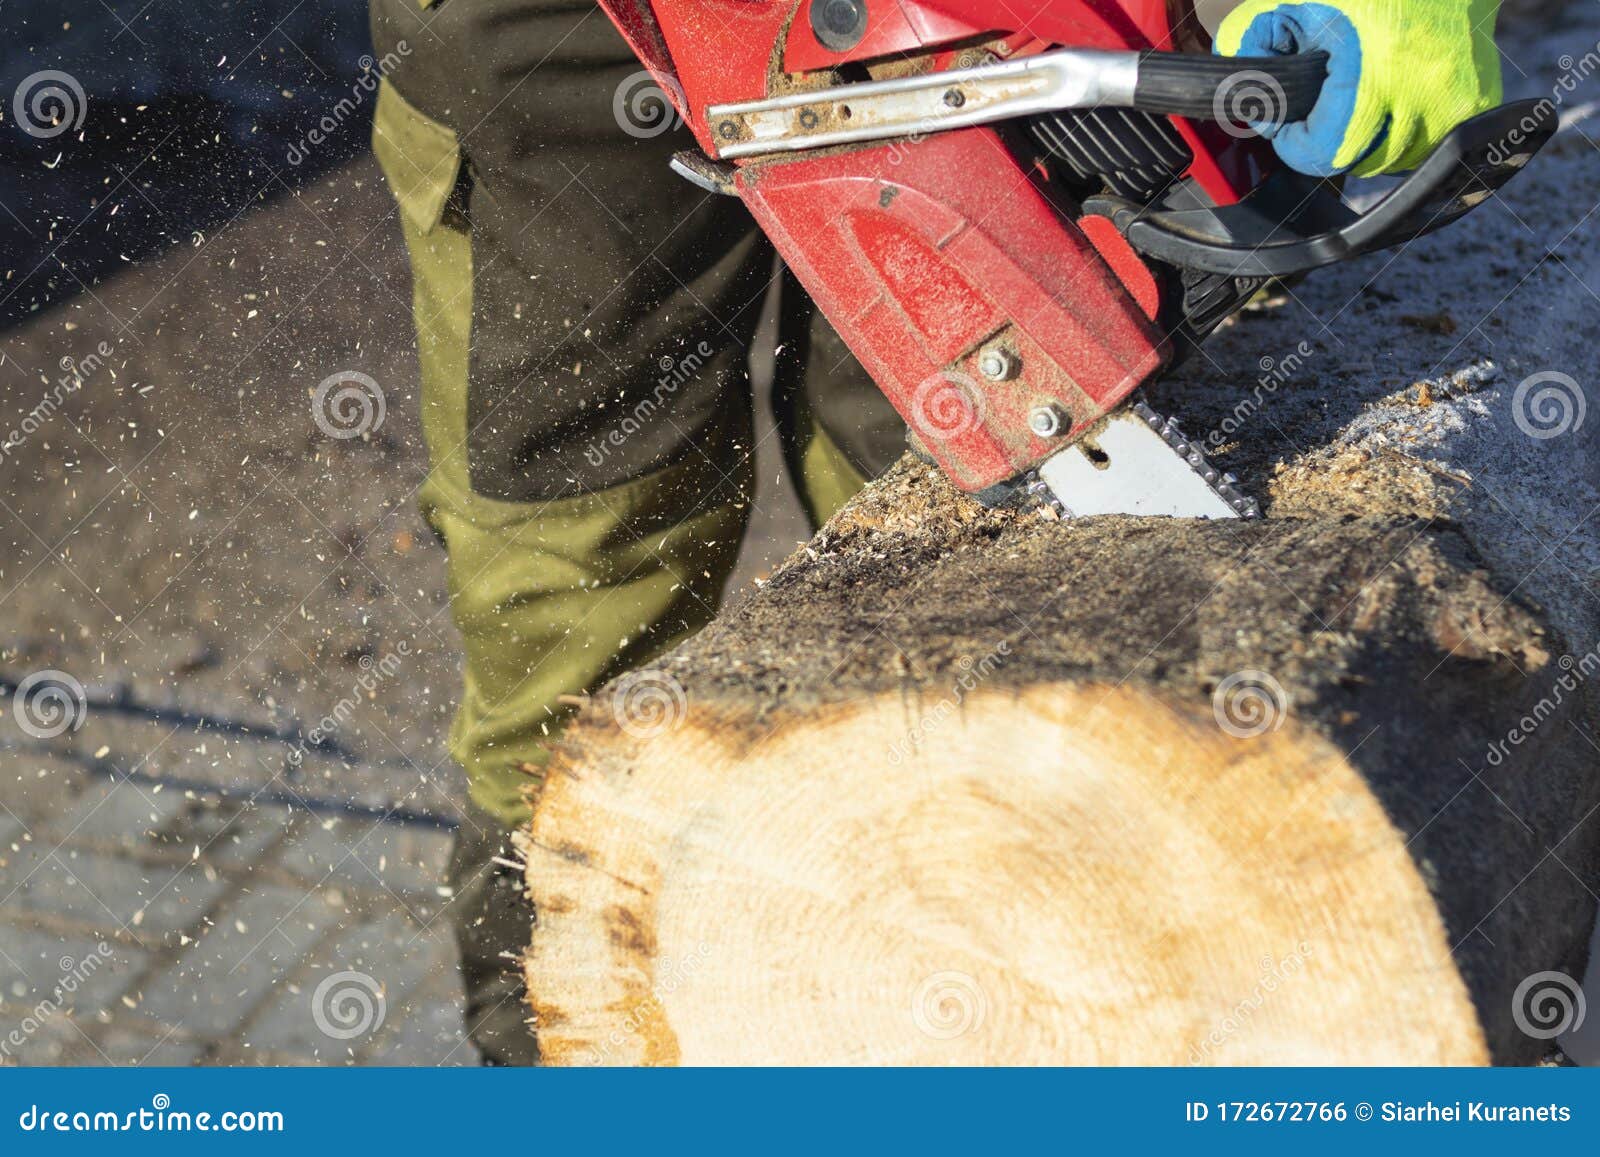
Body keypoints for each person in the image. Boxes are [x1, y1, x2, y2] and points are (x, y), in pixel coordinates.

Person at [366, 0, 1504, 1065]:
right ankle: (558, 1054)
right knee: (576, 589)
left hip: (943, 47)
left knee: (950, 506)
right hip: (561, 36)